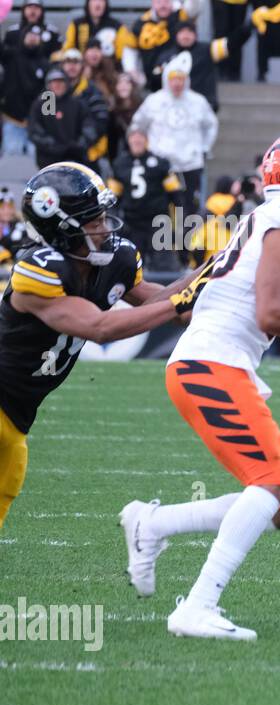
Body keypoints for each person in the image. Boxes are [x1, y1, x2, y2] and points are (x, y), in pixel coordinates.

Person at [118, 129, 280, 640]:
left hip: (212, 364)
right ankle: (196, 607)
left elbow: (202, 297)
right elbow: (273, 312)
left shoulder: (267, 217)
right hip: (211, 365)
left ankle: (152, 524)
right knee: (271, 483)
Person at [1, 162, 206, 529]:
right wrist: (180, 300)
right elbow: (100, 328)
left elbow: (164, 303)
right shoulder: (39, 270)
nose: (104, 225)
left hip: (16, 418)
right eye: (93, 219)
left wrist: (212, 277)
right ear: (62, 227)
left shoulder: (115, 260)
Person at [130, 51, 217, 232]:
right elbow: (138, 126)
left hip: (190, 164)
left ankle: (187, 251)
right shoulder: (154, 101)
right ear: (166, 79)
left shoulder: (198, 101)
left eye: (181, 78)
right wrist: (145, 150)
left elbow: (211, 125)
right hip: (161, 165)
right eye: (173, 78)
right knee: (160, 208)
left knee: (189, 210)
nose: (177, 83)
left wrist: (204, 148)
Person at [107, 125, 183, 269]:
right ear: (128, 141)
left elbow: (176, 195)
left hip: (158, 222)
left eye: (140, 139)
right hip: (132, 223)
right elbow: (113, 198)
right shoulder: (119, 164)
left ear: (146, 141)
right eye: (134, 139)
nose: (137, 142)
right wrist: (117, 221)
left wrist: (177, 225)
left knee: (164, 266)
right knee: (131, 265)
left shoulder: (161, 163)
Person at [1, 25, 53, 157]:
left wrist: (49, 120)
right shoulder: (10, 56)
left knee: (34, 159)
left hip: (36, 124)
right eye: (30, 35)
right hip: (13, 120)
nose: (33, 38)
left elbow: (49, 94)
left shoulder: (45, 64)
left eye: (36, 35)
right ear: (23, 37)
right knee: (12, 155)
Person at [27, 70, 97, 168]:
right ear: (48, 84)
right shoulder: (40, 105)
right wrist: (52, 146)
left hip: (76, 160)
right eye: (54, 82)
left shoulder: (77, 104)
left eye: (61, 81)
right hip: (48, 161)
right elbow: (34, 131)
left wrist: (79, 144)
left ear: (66, 84)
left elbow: (89, 127)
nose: (57, 85)